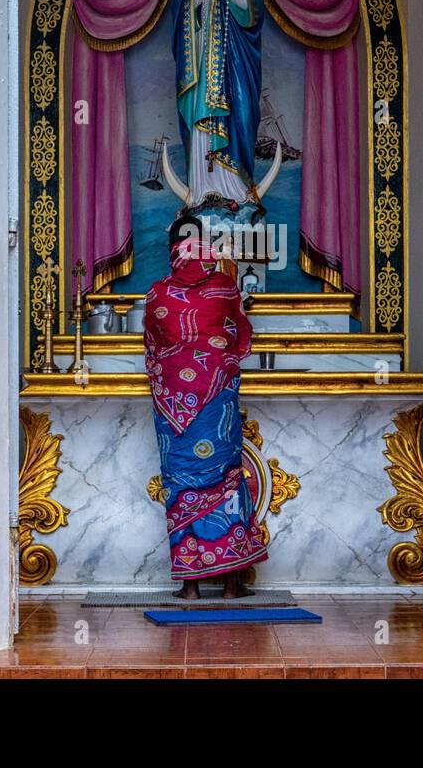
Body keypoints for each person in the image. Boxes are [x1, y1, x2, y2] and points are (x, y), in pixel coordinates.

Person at [143, 214, 267, 598]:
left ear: (173, 252)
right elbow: (241, 336)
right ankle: (231, 583)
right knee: (227, 481)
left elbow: (151, 341)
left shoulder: (158, 293)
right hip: (217, 402)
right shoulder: (226, 289)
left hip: (175, 410)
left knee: (181, 484)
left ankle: (191, 585)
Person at [171, 0, 264, 212]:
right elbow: (181, 13)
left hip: (233, 65)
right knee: (201, 121)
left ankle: (234, 188)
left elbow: (252, 13)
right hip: (199, 67)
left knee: (238, 115)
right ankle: (203, 189)